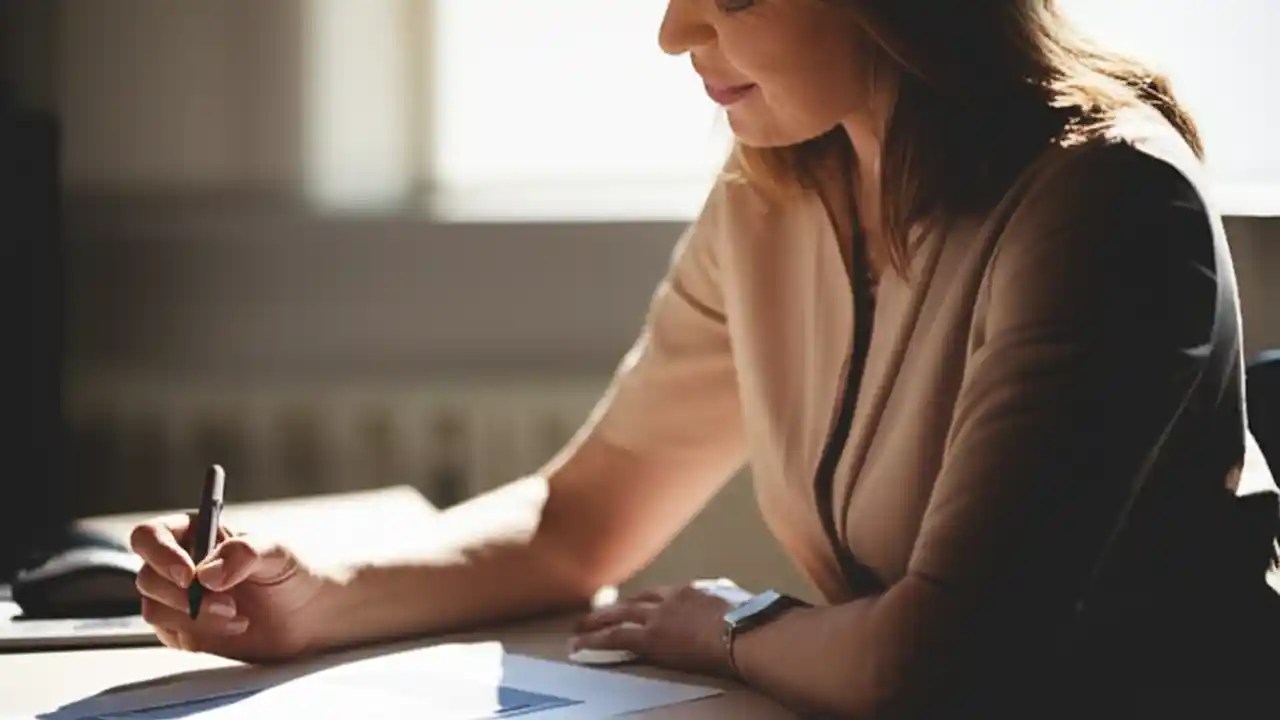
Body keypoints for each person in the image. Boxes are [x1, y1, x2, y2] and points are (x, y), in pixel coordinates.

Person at [129, 1, 1279, 716]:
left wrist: (730, 629)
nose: (673, 30)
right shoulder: (773, 191)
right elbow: (577, 520)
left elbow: (935, 667)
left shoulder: (1105, 205)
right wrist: (316, 600)